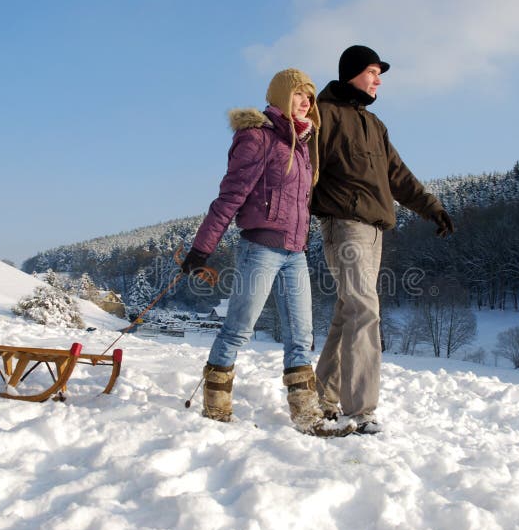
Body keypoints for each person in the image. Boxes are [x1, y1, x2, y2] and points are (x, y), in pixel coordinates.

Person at [181, 68, 356, 437]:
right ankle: (216, 403)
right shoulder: (257, 138)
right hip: (260, 248)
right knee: (238, 329)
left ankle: (307, 415)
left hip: (296, 252)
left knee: (301, 335)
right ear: (279, 96)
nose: (306, 101)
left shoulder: (305, 144)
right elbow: (230, 197)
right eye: (298, 94)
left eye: (309, 95)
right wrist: (201, 249)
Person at [312, 45, 454, 434]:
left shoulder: (375, 126)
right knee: (364, 309)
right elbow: (302, 171)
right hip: (344, 224)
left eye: (379, 74)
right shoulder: (324, 115)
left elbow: (398, 176)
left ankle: (320, 396)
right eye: (373, 71)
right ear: (352, 73)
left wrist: (432, 207)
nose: (378, 80)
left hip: (374, 229)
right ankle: (359, 411)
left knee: (349, 310)